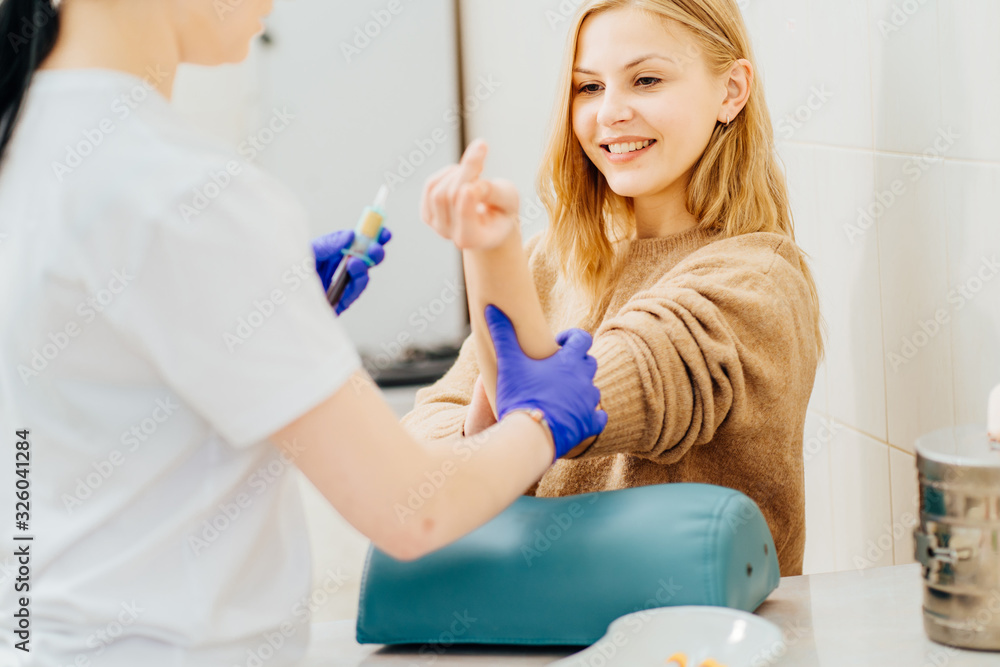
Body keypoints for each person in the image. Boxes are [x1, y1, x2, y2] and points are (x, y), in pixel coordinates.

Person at [0, 0, 607, 665]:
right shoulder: (185, 192)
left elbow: (95, 389)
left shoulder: (27, 148)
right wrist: (541, 420)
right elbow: (414, 509)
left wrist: (261, 324)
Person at [405, 0, 824, 577]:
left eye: (646, 80)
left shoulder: (756, 280)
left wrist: (488, 251)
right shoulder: (550, 258)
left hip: (690, 626)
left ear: (731, 91)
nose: (610, 113)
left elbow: (589, 396)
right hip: (540, 618)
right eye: (589, 87)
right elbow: (424, 434)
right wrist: (479, 436)